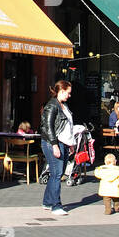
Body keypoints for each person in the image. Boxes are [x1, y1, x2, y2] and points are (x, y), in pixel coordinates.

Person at [40, 80, 76, 216]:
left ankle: (48, 202)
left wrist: (70, 143)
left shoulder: (63, 105)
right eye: (68, 93)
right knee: (57, 173)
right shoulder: (52, 106)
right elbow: (47, 127)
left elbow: (68, 126)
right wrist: (55, 145)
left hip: (63, 142)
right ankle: (56, 205)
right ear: (61, 91)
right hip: (53, 142)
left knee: (57, 173)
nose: (69, 95)